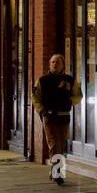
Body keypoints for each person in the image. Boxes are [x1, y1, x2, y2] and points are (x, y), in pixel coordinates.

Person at [32, 53, 82, 185]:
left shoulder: (69, 80)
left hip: (64, 116)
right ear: (49, 64)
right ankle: (57, 173)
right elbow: (36, 98)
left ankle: (55, 170)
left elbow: (78, 95)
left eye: (57, 62)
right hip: (49, 116)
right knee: (54, 144)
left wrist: (68, 102)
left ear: (63, 65)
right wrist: (42, 111)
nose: (55, 64)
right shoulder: (43, 80)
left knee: (61, 144)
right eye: (53, 62)